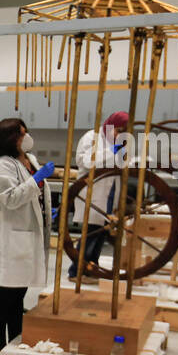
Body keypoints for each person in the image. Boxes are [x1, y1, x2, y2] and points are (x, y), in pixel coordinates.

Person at [0, 118, 54, 355]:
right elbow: (12, 199)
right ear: (10, 139)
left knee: (18, 296)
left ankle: (15, 343)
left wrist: (45, 210)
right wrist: (37, 180)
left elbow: (36, 193)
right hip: (12, 240)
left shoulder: (28, 161)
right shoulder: (1, 168)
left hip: (27, 235)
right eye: (21, 134)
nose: (26, 138)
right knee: (2, 296)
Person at [70, 110, 130, 277]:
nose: (119, 134)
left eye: (123, 132)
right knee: (90, 233)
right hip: (92, 192)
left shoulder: (121, 143)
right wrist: (112, 150)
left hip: (109, 193)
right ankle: (76, 271)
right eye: (117, 130)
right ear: (109, 125)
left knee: (102, 232)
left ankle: (91, 268)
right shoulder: (92, 137)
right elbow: (85, 161)